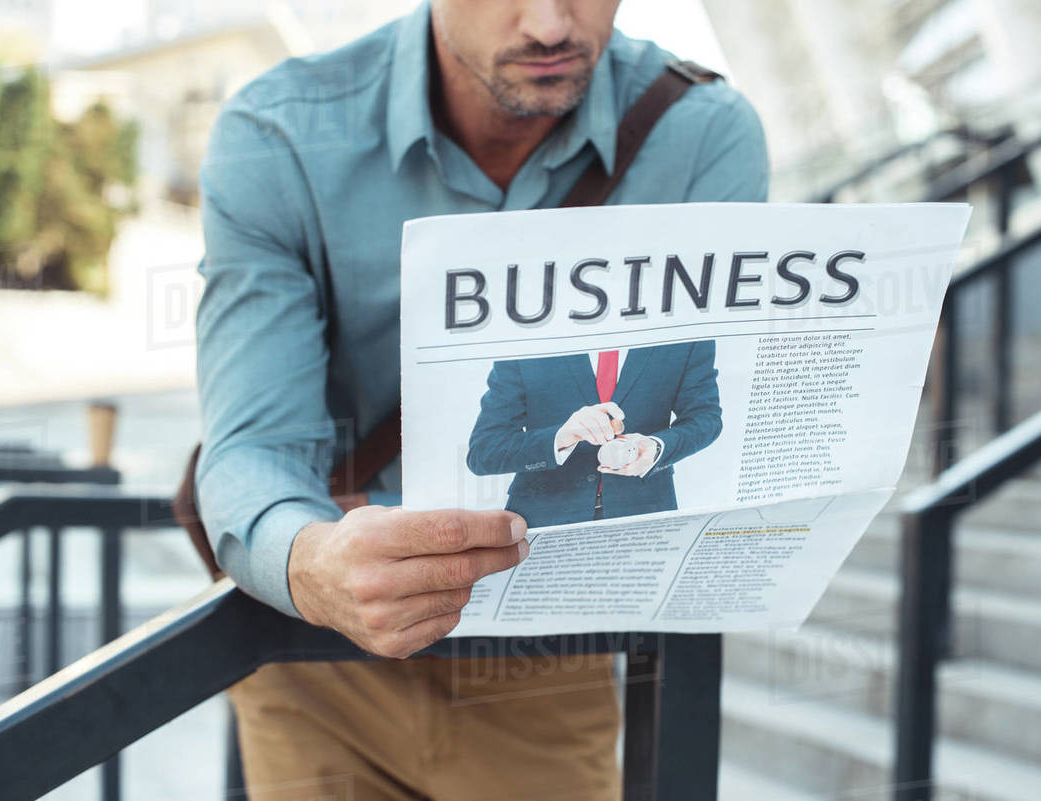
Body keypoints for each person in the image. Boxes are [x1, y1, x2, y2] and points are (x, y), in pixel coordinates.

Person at [194, 0, 768, 798]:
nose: (548, 25)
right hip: (316, 659)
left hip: (545, 659)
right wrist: (312, 562)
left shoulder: (703, 133)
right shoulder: (280, 135)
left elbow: (709, 402)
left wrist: (664, 451)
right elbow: (251, 443)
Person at [467, 343, 722, 526]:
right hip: (544, 517)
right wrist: (561, 438)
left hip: (645, 513)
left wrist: (656, 448)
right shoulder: (527, 339)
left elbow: (705, 418)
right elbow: (484, 451)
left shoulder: (685, 334)